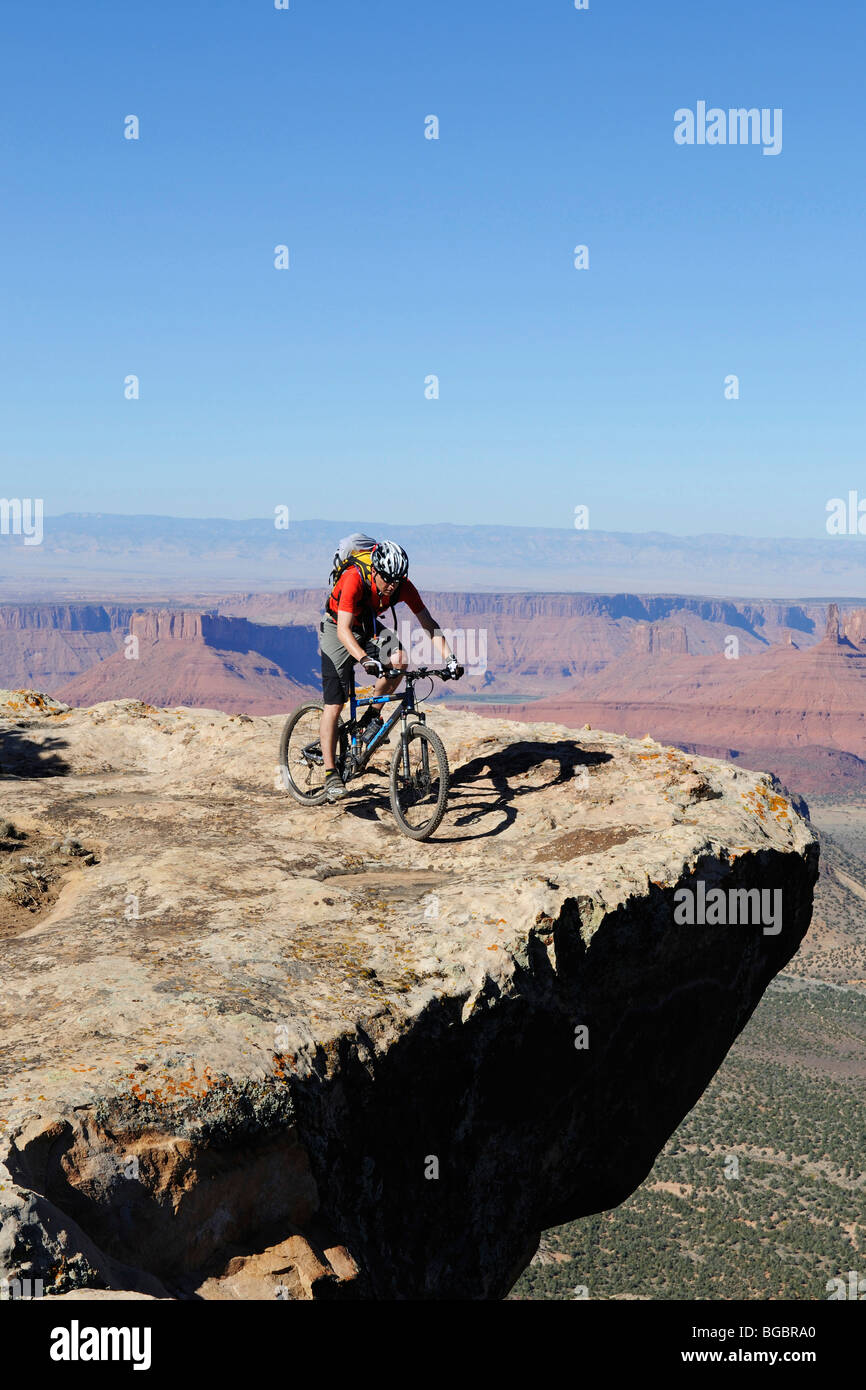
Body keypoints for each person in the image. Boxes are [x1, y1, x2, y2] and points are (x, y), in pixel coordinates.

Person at [319, 539, 463, 801]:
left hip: (367, 626)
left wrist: (450, 658)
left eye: (398, 580)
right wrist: (364, 659)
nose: (392, 586)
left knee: (399, 660)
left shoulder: (401, 586)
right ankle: (330, 774)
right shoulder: (354, 578)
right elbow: (343, 630)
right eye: (388, 579)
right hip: (336, 628)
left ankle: (371, 717)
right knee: (335, 704)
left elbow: (427, 621)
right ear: (375, 571)